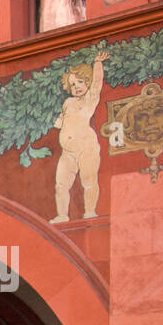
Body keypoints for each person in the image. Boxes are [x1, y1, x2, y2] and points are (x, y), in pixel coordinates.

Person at [51, 50, 110, 224]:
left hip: (86, 147)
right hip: (67, 151)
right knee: (61, 184)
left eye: (80, 82)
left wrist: (98, 63)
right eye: (73, 84)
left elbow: (98, 82)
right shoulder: (68, 102)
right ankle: (62, 215)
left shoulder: (90, 99)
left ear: (87, 82)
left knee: (89, 180)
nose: (76, 86)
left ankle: (90, 211)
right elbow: (60, 122)